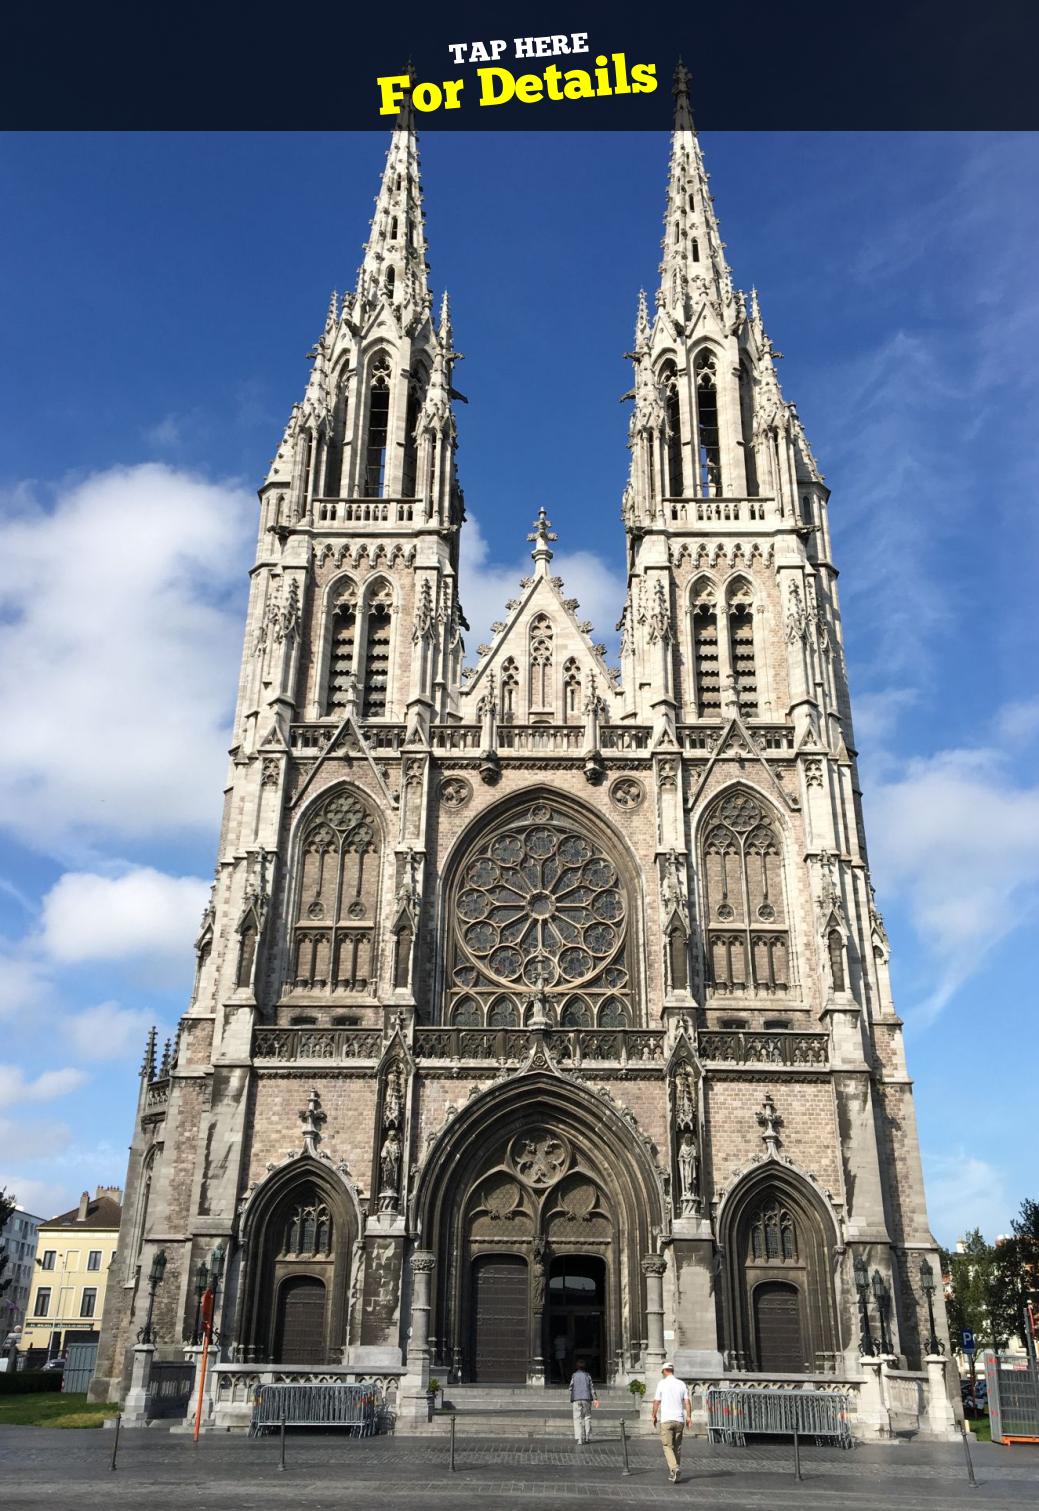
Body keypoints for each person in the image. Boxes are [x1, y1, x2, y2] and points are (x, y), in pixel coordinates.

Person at [651, 1361, 692, 1484]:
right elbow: (687, 1401)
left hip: (667, 1420)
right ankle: (674, 1473)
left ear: (664, 1371)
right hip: (679, 1419)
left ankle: (674, 1468)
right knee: (677, 1447)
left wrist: (653, 1415)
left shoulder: (662, 1383)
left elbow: (656, 1402)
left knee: (667, 1446)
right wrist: (689, 1417)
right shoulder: (681, 1384)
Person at [569, 1359, 598, 1444]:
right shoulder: (587, 1375)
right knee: (587, 1417)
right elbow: (591, 1388)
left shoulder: (574, 1375)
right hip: (587, 1398)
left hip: (576, 1398)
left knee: (577, 1418)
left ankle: (579, 1439)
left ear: (577, 1367)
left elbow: (570, 1387)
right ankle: (587, 1437)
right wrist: (595, 1398)